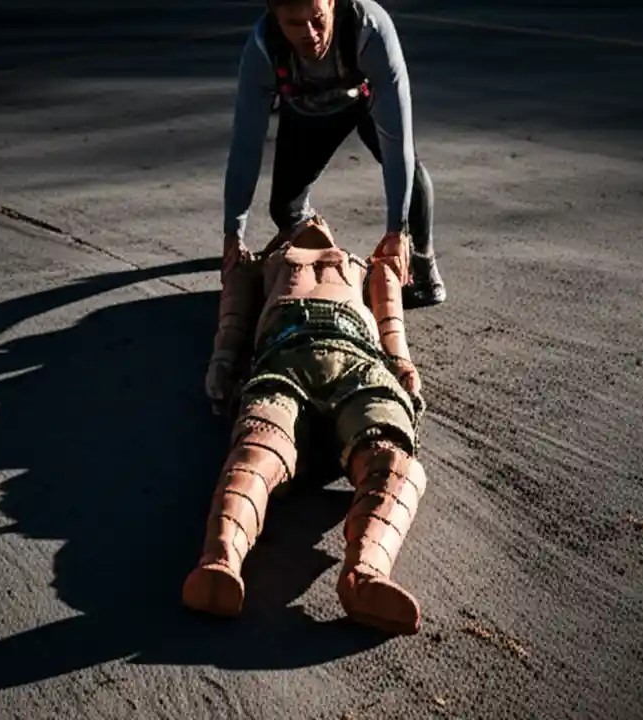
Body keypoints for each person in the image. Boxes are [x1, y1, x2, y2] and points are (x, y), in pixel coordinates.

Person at [181, 214, 430, 635]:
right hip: (283, 358)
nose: (315, 217)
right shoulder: (263, 264)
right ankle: (219, 562)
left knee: (393, 461)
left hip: (360, 361)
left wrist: (402, 361)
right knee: (257, 451)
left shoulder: (362, 265)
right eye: (302, 213)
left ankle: (366, 572)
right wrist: (222, 359)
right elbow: (234, 315)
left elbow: (390, 313)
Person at [222, 0, 446, 309]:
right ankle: (315, 245)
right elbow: (246, 144)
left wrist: (397, 230)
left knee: (408, 173)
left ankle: (422, 266)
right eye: (295, 24)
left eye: (317, 19)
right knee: (283, 212)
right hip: (308, 110)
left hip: (365, 102)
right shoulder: (263, 48)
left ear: (332, 2)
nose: (310, 34)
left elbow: (398, 143)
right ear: (275, 17)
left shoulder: (370, 30)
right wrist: (233, 233)